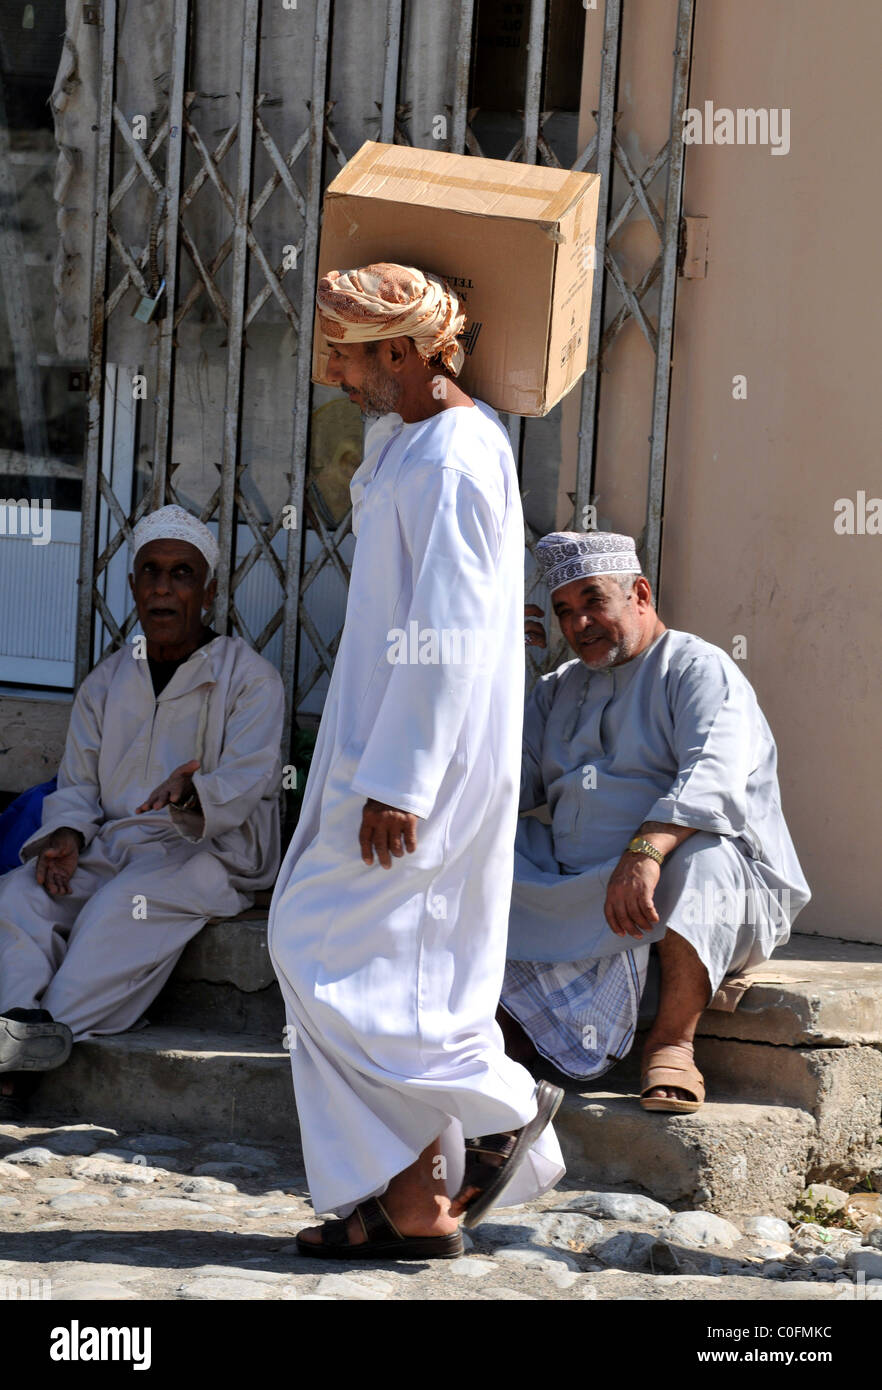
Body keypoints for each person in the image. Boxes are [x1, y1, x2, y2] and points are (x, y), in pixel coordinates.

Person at [268, 262, 564, 1262]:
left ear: (402, 349)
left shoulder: (452, 459)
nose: (339, 379)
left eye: (351, 358)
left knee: (327, 951)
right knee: (375, 971)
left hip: (417, 766)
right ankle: (412, 1203)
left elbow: (449, 629)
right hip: (388, 746)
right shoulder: (415, 439)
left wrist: (400, 780)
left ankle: (500, 1106)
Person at [506, 530, 810, 1111]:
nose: (579, 625)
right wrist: (493, 663)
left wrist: (643, 853)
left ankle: (672, 1044)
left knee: (704, 857)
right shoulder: (557, 689)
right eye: (565, 611)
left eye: (594, 602)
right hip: (583, 879)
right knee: (481, 849)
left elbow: (712, 778)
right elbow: (506, 785)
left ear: (639, 593)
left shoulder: (698, 668)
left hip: (685, 877)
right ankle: (508, 1029)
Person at [0, 506, 285, 1118]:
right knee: (18, 896)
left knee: (114, 911)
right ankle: (16, 1024)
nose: (163, 587)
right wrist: (68, 835)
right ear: (132, 588)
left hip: (211, 851)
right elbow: (76, 784)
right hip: (116, 843)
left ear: (208, 591)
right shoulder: (106, 682)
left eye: (182, 573)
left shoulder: (248, 678)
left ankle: (37, 1036)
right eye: (150, 573)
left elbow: (246, 781)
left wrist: (191, 796)